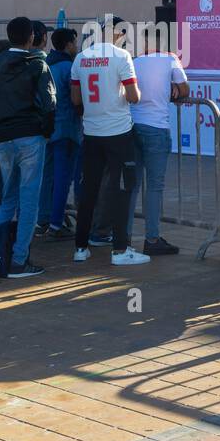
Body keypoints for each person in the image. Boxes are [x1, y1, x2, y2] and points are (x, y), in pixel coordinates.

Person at [0, 16, 56, 277]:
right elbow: (49, 103)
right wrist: (44, 132)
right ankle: (19, 259)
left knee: (8, 198)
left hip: (4, 137)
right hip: (30, 136)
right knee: (29, 199)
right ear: (31, 37)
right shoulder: (38, 64)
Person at [71, 17, 149, 267]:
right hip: (118, 133)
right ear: (112, 31)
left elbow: (75, 100)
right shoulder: (121, 56)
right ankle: (120, 249)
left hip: (92, 133)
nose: (124, 35)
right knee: (123, 189)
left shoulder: (81, 57)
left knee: (90, 190)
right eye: (122, 31)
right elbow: (134, 96)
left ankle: (80, 248)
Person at [122, 24, 188, 255]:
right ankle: (151, 239)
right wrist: (172, 88)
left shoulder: (133, 61)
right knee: (155, 187)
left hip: (132, 127)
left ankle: (124, 238)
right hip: (157, 128)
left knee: (132, 186)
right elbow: (185, 89)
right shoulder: (170, 60)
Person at [42, 28, 82, 239]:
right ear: (68, 44)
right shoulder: (69, 67)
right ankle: (56, 224)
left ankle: (45, 219)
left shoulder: (46, 64)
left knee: (48, 178)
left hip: (48, 130)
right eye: (74, 43)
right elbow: (77, 99)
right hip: (67, 130)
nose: (76, 47)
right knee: (63, 179)